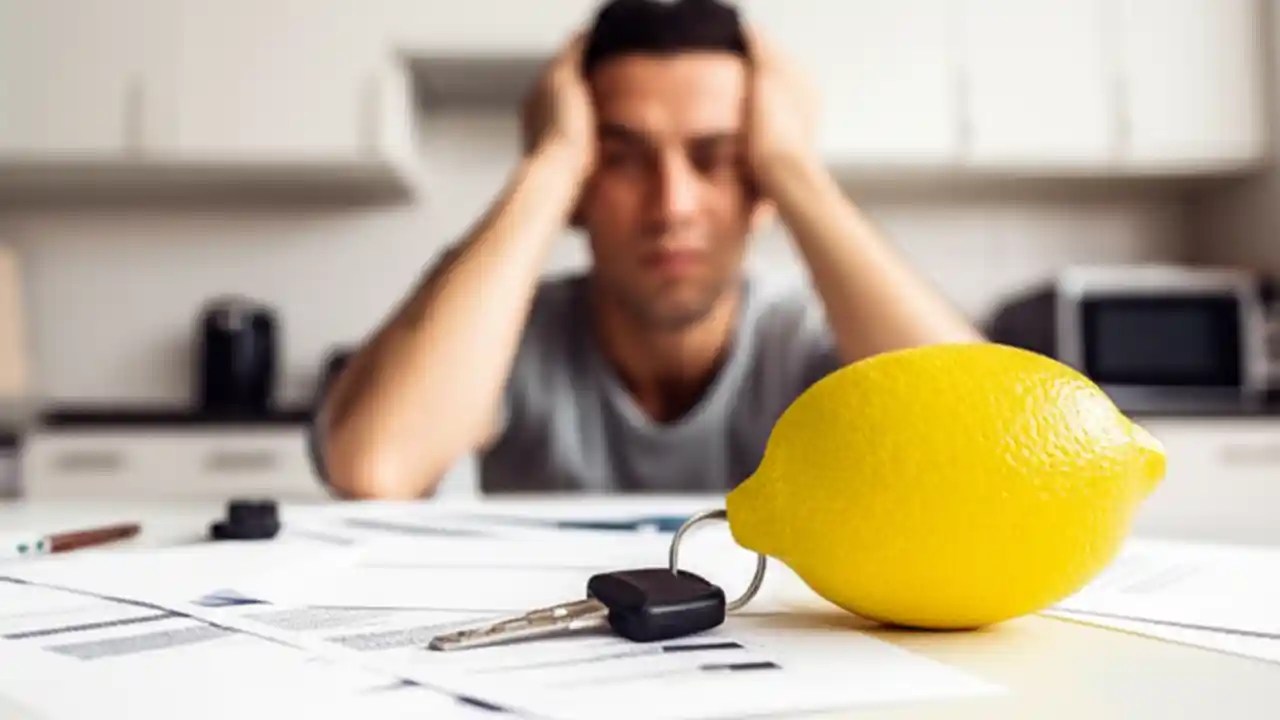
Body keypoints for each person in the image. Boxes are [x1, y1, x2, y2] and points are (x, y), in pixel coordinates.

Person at [316, 0, 980, 498]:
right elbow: (377, 465)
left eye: (714, 157)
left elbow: (982, 445)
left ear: (759, 186)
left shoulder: (806, 336)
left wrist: (791, 164)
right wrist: (549, 162)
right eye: (622, 159)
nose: (672, 206)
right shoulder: (511, 333)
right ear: (580, 185)